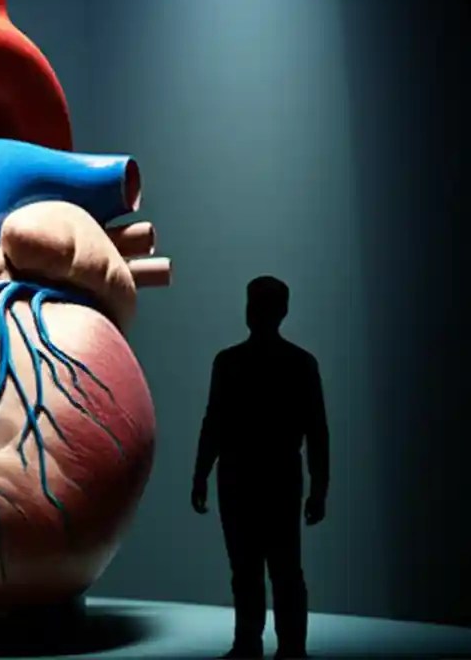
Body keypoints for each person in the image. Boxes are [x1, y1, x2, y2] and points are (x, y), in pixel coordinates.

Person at [191, 276, 329, 659]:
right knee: (283, 569)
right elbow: (317, 431)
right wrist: (319, 488)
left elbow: (213, 422)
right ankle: (289, 648)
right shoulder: (300, 364)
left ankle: (250, 644)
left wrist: (201, 473)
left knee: (249, 568)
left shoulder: (229, 362)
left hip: (238, 476)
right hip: (280, 476)